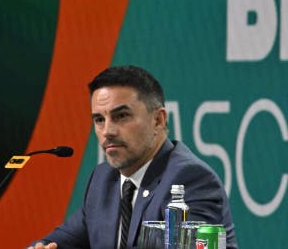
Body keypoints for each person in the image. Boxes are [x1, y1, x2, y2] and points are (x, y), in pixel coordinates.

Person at [28, 65, 238, 249]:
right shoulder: (103, 180)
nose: (107, 131)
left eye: (121, 116)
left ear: (158, 120)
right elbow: (59, 241)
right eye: (99, 119)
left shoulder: (189, 179)